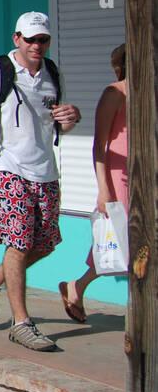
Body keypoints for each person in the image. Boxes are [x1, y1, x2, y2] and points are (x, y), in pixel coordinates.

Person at [0, 11, 81, 351]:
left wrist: (71, 117)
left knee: (44, 243)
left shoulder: (52, 74)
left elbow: (59, 124)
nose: (36, 45)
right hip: (5, 167)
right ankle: (22, 323)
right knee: (18, 243)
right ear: (17, 39)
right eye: (30, 39)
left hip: (45, 169)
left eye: (42, 39)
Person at [60, 44, 127, 322]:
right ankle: (78, 285)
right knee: (121, 240)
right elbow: (99, 145)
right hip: (117, 177)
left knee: (133, 242)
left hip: (144, 178)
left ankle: (77, 286)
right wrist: (104, 189)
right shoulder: (115, 93)